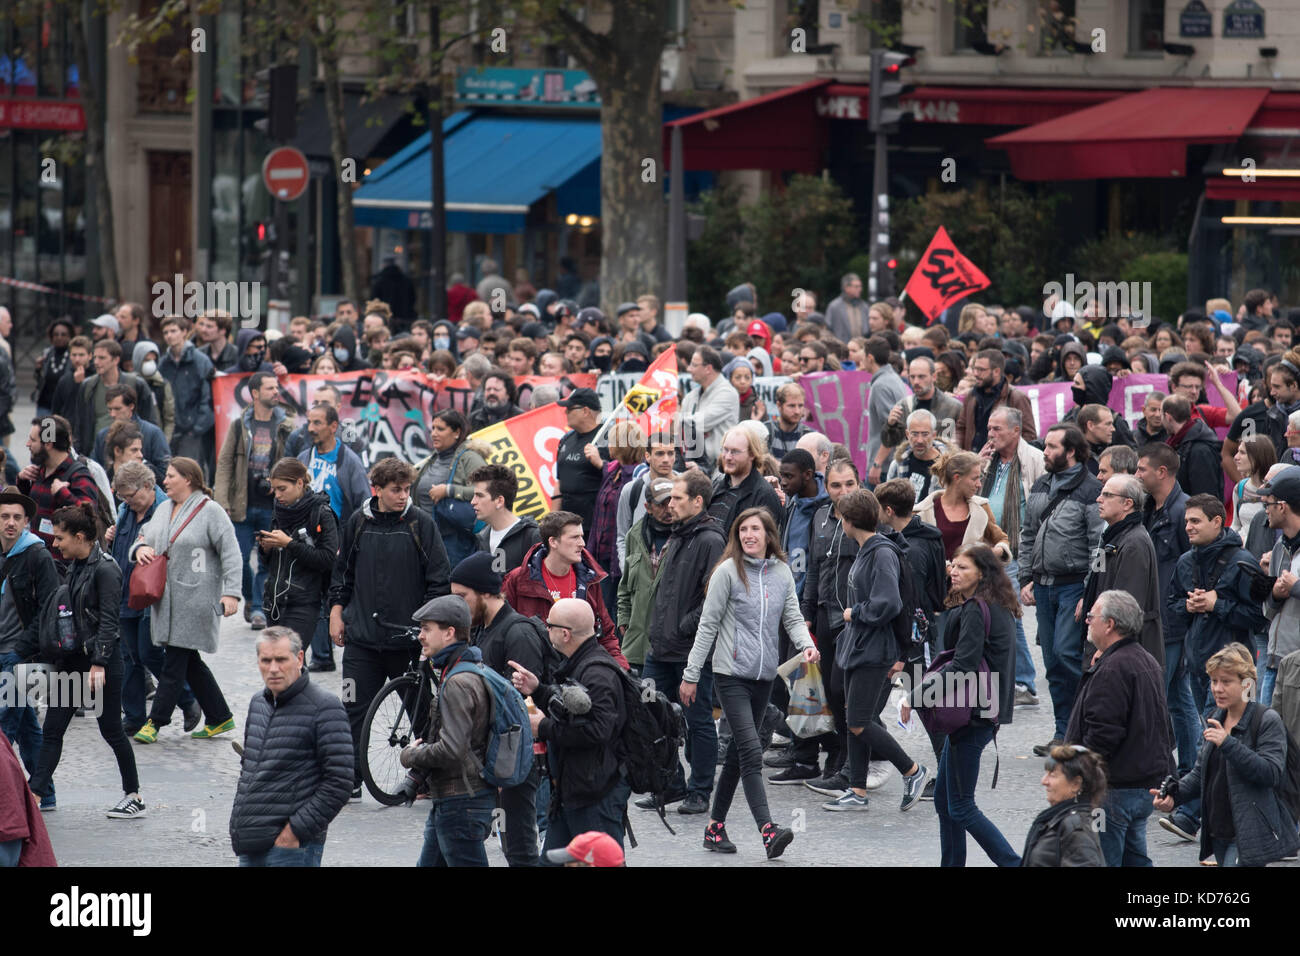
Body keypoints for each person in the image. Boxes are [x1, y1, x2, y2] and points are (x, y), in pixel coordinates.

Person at [679, 506, 818, 858]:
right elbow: (707, 625)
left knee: (741, 757)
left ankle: (714, 829)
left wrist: (807, 644)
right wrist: (691, 675)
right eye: (743, 531)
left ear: (769, 535)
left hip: (764, 677)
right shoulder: (727, 572)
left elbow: (793, 616)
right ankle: (768, 830)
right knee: (753, 750)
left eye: (755, 529)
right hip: (730, 676)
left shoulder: (782, 573)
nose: (748, 536)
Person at [330, 457, 451, 799]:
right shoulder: (357, 523)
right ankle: (349, 778)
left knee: (421, 713)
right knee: (352, 707)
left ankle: (428, 776)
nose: (402, 496)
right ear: (377, 490)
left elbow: (439, 579)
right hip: (362, 641)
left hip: (407, 641)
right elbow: (343, 574)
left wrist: (428, 628)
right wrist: (336, 613)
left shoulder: (420, 524)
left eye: (407, 489)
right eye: (395, 490)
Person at [27, 503, 146, 819]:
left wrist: (99, 663)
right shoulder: (76, 564)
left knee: (111, 730)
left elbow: (109, 621)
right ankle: (35, 794)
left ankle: (133, 795)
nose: (56, 543)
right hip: (72, 662)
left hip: (99, 665)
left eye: (61, 538)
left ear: (80, 537)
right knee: (52, 729)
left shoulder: (105, 569)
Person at [904, 543, 1019, 866]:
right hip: (982, 711)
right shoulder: (996, 604)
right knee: (945, 801)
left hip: (973, 716)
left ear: (982, 573)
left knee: (962, 806)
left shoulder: (976, 608)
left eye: (963, 567)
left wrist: (915, 697)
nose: (953, 571)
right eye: (953, 565)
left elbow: (962, 667)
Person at [825, 489, 930, 812]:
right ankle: (857, 789)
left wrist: (853, 613)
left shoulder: (881, 552)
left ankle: (913, 771)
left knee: (859, 721)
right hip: (859, 648)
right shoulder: (867, 549)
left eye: (841, 517)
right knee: (854, 717)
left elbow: (888, 603)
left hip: (874, 649)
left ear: (849, 521)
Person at [1153, 642, 1300, 866]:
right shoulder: (1216, 716)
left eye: (1226, 682)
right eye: (1214, 681)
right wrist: (1173, 796)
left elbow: (1270, 772)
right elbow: (1200, 773)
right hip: (1218, 831)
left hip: (1247, 835)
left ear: (1246, 684)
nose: (1217, 688)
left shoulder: (1266, 720)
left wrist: (1228, 743)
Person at [448, 552, 553, 866]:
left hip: (517, 758)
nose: (457, 606)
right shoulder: (482, 628)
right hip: (493, 755)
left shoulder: (517, 632)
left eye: (461, 597)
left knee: (519, 848)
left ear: (485, 594)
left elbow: (522, 706)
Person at [132, 458, 242, 745]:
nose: (164, 481)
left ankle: (155, 722)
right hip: (166, 601)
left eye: (170, 476)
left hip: (196, 599)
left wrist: (231, 592)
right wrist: (140, 548)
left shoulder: (211, 511)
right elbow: (143, 537)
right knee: (189, 660)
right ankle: (220, 716)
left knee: (175, 662)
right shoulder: (163, 509)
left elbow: (231, 553)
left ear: (189, 479)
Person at [509, 599, 632, 853]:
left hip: (596, 793)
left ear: (565, 634)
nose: (546, 630)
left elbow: (598, 731)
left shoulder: (598, 674)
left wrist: (542, 728)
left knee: (602, 860)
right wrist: (538, 690)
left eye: (549, 625)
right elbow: (569, 710)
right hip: (573, 790)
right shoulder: (579, 662)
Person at [637, 471, 727, 813]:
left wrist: (681, 629)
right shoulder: (678, 535)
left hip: (690, 653)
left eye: (676, 498)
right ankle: (671, 784)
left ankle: (700, 790)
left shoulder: (710, 540)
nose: (669, 504)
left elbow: (712, 600)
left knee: (697, 718)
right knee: (650, 710)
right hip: (658, 652)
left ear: (697, 501)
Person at [1066, 588, 1175, 867]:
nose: (1087, 621)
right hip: (1140, 785)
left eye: (1092, 616)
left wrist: (1079, 775)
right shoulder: (1143, 659)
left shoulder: (1114, 668)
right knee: (1135, 859)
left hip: (1115, 788)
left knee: (1104, 860)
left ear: (1110, 624)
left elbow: (1102, 735)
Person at [229, 627, 352, 867]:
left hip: (292, 848)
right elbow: (249, 770)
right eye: (266, 660)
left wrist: (294, 831)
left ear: (299, 658)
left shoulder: (325, 707)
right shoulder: (258, 703)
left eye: (281, 660)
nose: (273, 668)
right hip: (252, 840)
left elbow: (340, 781)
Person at [1018, 424, 1104, 756]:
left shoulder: (1090, 488)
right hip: (1043, 586)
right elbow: (1028, 533)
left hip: (1072, 587)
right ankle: (1062, 732)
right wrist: (1026, 577)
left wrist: (1089, 592)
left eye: (1052, 446)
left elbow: (1099, 546)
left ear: (1071, 451)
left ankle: (1081, 730)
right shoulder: (1041, 484)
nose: (1045, 451)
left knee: (1069, 657)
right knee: (1053, 661)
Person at [398, 595, 497, 867]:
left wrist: (411, 756)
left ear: (449, 633)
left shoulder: (458, 682)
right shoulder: (467, 669)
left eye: (427, 629)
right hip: (456, 798)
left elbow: (451, 750)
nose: (420, 636)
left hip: (461, 801)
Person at [107, 462, 201, 737]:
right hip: (126, 591)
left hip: (156, 592)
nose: (127, 501)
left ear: (147, 487)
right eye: (122, 496)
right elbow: (120, 546)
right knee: (129, 656)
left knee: (149, 651)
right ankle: (134, 716)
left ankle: (186, 698)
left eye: (131, 495)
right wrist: (110, 535)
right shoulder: (126, 510)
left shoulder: (167, 508)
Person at [978, 405, 1045, 707]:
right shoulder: (987, 460)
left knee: (1008, 613)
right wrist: (975, 467)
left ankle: (1023, 682)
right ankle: (1020, 680)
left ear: (1016, 431)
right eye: (989, 429)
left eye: (997, 429)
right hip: (987, 550)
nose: (991, 435)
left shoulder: (1033, 460)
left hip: (1015, 552)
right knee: (1000, 614)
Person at [503, 510, 629, 668]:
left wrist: (622, 672)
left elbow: (606, 635)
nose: (582, 543)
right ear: (553, 542)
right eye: (575, 537)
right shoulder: (519, 579)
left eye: (582, 536)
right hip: (534, 672)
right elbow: (503, 630)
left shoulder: (590, 579)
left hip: (581, 672)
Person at [216, 372, 292, 630]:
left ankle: (259, 608)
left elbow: (293, 462)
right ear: (255, 393)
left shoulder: (284, 426)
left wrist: (281, 482)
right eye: (270, 388)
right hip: (242, 505)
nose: (275, 392)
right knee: (238, 557)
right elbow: (225, 462)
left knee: (265, 561)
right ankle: (250, 598)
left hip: (272, 507)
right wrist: (222, 500)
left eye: (277, 387)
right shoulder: (240, 425)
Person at [0, 486, 60, 810]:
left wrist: (23, 649)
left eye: (17, 518)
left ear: (26, 522)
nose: (10, 522)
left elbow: (49, 607)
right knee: (25, 726)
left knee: (3, 725)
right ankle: (45, 794)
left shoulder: (37, 554)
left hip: (20, 656)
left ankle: (7, 801)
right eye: (5, 516)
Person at [1079, 474, 1164, 665]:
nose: (1099, 499)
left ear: (1127, 504)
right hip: (1103, 639)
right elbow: (1097, 575)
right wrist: (1087, 599)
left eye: (1107, 495)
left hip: (1120, 651)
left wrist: (1105, 650)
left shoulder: (1134, 543)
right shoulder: (1109, 536)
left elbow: (1126, 607)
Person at [258, 457, 339, 652]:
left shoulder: (321, 512)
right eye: (274, 489)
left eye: (282, 489)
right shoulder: (280, 510)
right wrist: (265, 549)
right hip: (274, 601)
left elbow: (328, 559)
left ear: (300, 483)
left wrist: (289, 544)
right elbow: (268, 563)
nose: (277, 495)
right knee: (278, 661)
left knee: (290, 660)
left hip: (304, 602)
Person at [17, 414, 104, 562]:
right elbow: (30, 512)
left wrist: (63, 494)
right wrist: (23, 482)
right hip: (37, 559)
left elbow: (90, 517)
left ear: (48, 444)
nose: (27, 444)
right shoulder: (39, 471)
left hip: (63, 566)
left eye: (33, 440)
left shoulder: (78, 475)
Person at [411, 409, 488, 570]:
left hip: (454, 543)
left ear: (456, 432)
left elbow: (487, 490)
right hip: (425, 540)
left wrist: (449, 490)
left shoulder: (470, 457)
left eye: (440, 429)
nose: (433, 434)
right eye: (432, 428)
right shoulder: (433, 459)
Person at [617, 477, 675, 676]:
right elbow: (624, 586)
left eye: (672, 502)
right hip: (636, 644)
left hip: (670, 649)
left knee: (669, 704)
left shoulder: (687, 537)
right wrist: (623, 619)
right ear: (648, 507)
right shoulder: (634, 535)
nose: (669, 509)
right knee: (644, 701)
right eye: (661, 504)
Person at [588, 421, 646, 609]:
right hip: (601, 554)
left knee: (615, 610)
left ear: (622, 446)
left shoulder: (637, 477)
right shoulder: (613, 471)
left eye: (612, 441)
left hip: (620, 557)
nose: (608, 445)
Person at [915, 451, 1012, 563]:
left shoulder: (981, 508)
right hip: (933, 579)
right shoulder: (924, 512)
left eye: (980, 478)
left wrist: (995, 552)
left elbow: (1002, 539)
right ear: (957, 478)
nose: (979, 484)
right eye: (974, 478)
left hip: (970, 579)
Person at [1020, 745, 1107, 867]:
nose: (1044, 781)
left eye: (1053, 775)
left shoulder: (1076, 827)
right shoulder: (1062, 818)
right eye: (1046, 773)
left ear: (1076, 784)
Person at [72, 338, 160, 457]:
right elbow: (79, 424)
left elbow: (150, 419)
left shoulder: (136, 384)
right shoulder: (88, 386)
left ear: (116, 360)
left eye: (102, 358)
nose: (96, 362)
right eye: (95, 357)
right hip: (96, 451)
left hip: (129, 451)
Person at [1259, 468, 1300, 709]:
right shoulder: (1278, 548)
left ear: (1282, 506)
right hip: (1274, 661)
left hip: (1297, 662)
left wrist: (1295, 587)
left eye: (1270, 503)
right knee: (1267, 740)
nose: (1266, 509)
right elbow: (1267, 610)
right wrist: (1274, 594)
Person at [296, 402, 370, 526]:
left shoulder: (351, 461)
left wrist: (349, 534)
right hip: (305, 534)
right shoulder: (303, 458)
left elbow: (364, 503)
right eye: (309, 422)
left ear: (333, 427)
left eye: (317, 423)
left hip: (337, 536)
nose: (310, 429)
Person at [158, 316, 216, 471]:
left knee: (189, 473)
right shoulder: (163, 363)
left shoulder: (201, 361)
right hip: (170, 428)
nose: (169, 335)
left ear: (184, 332)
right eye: (165, 332)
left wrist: (197, 428)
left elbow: (208, 397)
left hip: (193, 431)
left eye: (173, 331)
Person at [615, 431, 675, 573]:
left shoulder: (687, 486)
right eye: (660, 453)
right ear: (647, 456)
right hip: (641, 574)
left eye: (671, 453)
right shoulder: (631, 490)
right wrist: (628, 571)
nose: (666, 459)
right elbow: (622, 536)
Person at [956, 349, 1037, 451]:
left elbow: (1029, 436)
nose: (976, 373)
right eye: (974, 369)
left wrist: (1005, 458)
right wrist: (957, 451)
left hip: (999, 463)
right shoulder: (971, 395)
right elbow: (961, 428)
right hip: (972, 462)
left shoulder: (1016, 397)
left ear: (996, 371)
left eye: (981, 370)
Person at [708, 426, 783, 535]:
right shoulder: (716, 485)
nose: (728, 457)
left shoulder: (764, 495)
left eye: (735, 451)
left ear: (752, 454)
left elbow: (764, 542)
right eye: (725, 450)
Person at [551, 389, 606, 536]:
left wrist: (601, 464)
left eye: (569, 409)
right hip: (567, 525)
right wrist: (552, 519)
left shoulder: (608, 439)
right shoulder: (566, 439)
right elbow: (560, 481)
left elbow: (622, 478)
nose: (565, 413)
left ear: (586, 411)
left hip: (596, 525)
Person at [881, 355, 963, 453]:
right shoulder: (904, 406)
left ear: (934, 377)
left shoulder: (953, 407)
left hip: (942, 465)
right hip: (911, 465)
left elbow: (963, 445)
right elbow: (888, 443)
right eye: (912, 377)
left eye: (921, 376)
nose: (916, 382)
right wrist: (890, 425)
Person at [678, 346, 740, 473]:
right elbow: (682, 428)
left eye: (694, 365)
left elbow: (695, 424)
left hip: (720, 470)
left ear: (708, 368)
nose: (689, 369)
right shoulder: (691, 396)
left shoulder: (727, 393)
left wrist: (685, 423)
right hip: (692, 465)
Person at [91, 384, 170, 483]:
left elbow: (165, 473)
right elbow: (95, 470)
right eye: (110, 409)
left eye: (117, 409)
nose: (112, 414)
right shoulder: (103, 436)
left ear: (131, 406)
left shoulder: (153, 433)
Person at [862, 338, 909, 487]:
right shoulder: (892, 379)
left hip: (884, 467)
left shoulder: (881, 386)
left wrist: (877, 463)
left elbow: (892, 429)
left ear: (870, 358)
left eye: (863, 357)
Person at [1162, 394, 1224, 499]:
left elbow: (1204, 497)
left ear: (1168, 417)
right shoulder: (1177, 444)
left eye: (1161, 415)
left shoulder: (1200, 451)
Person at [886, 409, 945, 503]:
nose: (919, 440)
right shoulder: (898, 464)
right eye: (915, 434)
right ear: (907, 434)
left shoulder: (949, 466)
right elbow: (888, 499)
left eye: (925, 434)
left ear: (934, 435)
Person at [1230, 435, 1275, 536]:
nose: (1236, 457)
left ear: (1257, 456)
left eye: (1242, 452)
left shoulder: (1275, 489)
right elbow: (1236, 525)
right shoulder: (1240, 487)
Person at [131, 340, 176, 442]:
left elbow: (169, 419)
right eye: (146, 360)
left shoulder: (162, 385)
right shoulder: (129, 383)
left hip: (155, 439)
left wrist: (164, 441)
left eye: (153, 360)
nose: (150, 364)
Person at [34, 319, 73, 420]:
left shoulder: (74, 356)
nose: (59, 337)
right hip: (45, 405)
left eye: (63, 334)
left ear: (70, 336)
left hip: (64, 406)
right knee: (46, 435)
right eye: (56, 334)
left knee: (62, 435)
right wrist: (38, 370)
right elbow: (40, 381)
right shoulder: (47, 354)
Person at [764, 384, 811, 463]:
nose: (797, 411)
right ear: (779, 405)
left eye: (800, 406)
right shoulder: (766, 431)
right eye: (792, 406)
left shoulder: (809, 435)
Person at [826, 273, 866, 343]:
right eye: (856, 287)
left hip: (861, 350)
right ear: (847, 288)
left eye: (860, 286)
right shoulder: (834, 307)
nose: (860, 289)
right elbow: (828, 329)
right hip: (841, 349)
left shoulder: (864, 306)